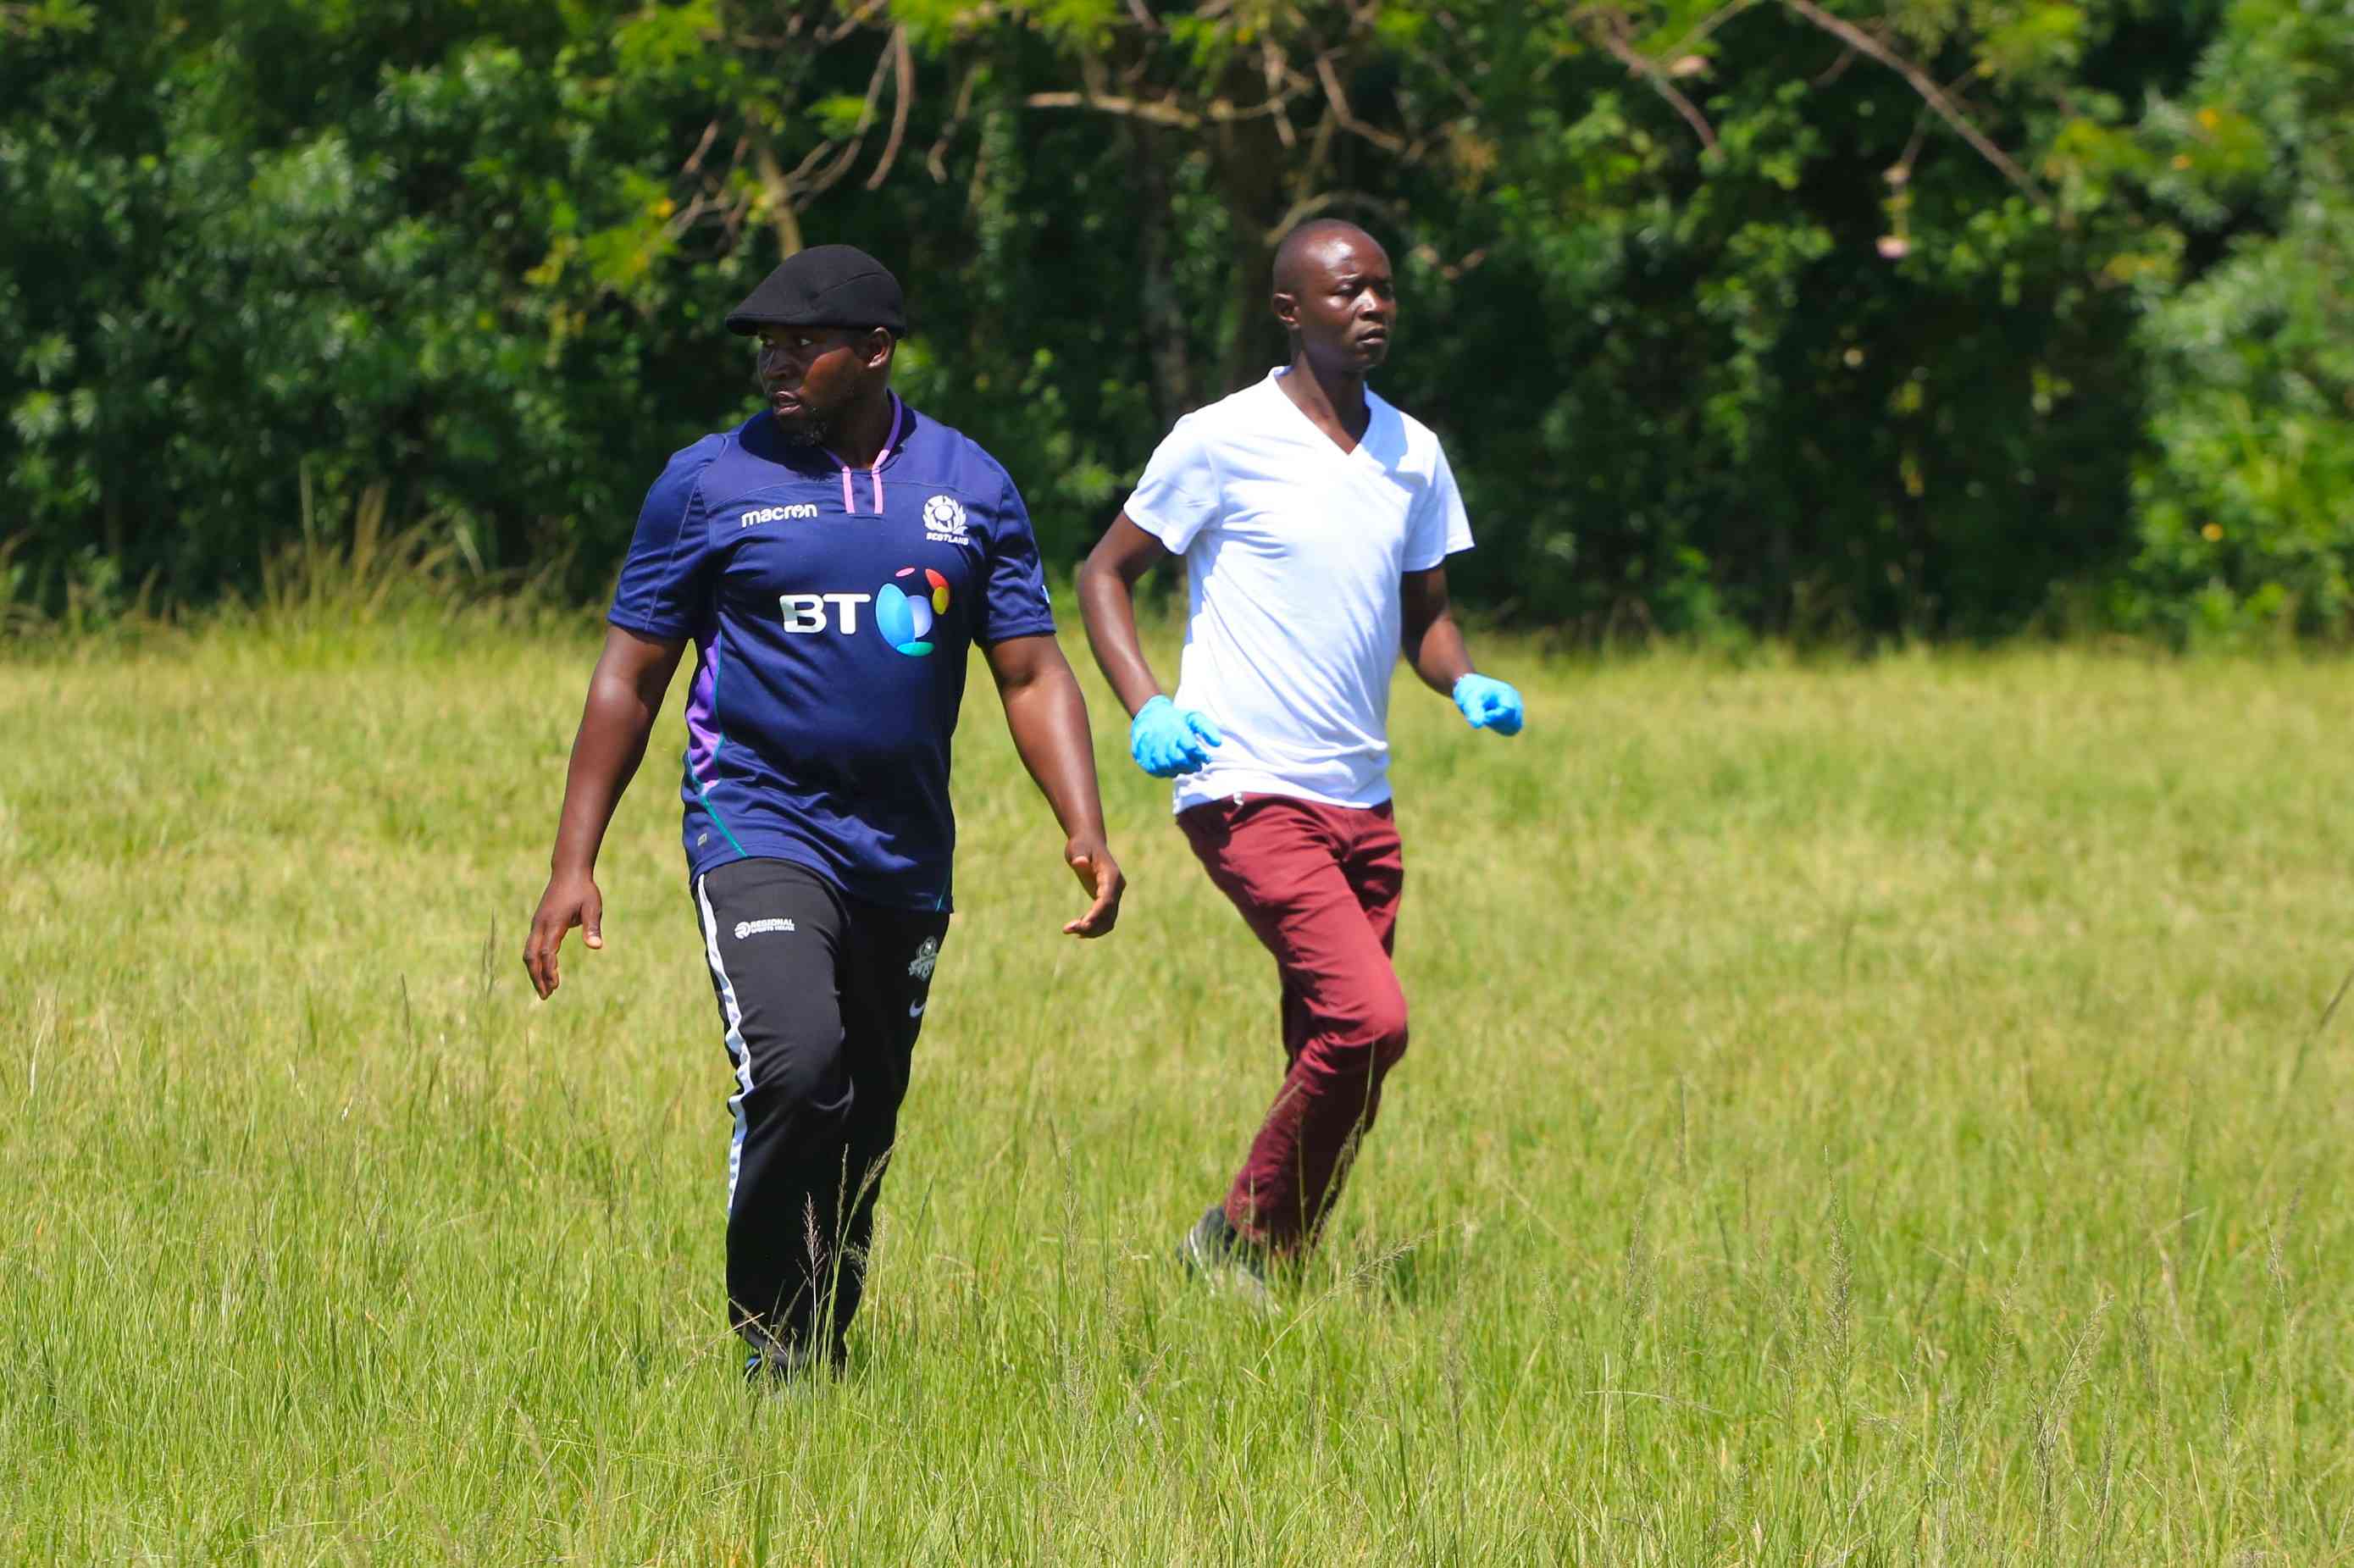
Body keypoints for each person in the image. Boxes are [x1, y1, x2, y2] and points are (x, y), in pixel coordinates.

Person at [523, 244, 1125, 1378]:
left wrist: (1082, 824)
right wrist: (573, 862)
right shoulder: (707, 483)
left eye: (803, 344)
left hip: (903, 851)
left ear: (876, 350)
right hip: (752, 821)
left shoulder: (969, 487)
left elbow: (1030, 670)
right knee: (798, 1068)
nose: (776, 364)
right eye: (767, 345)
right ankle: (769, 1342)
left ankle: (817, 1343)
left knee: (865, 1116)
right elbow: (630, 677)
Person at [1076, 219, 1524, 1294]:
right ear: (1290, 311)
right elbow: (1102, 575)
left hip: (1362, 799)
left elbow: (1427, 616)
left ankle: (1273, 1269)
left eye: (1383, 289)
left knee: (1334, 1054)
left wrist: (1463, 679)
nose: (1371, 307)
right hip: (1244, 786)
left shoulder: (1414, 453)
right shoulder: (1220, 438)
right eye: (1346, 291)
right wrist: (1148, 705)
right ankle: (1235, 1237)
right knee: (1371, 1021)